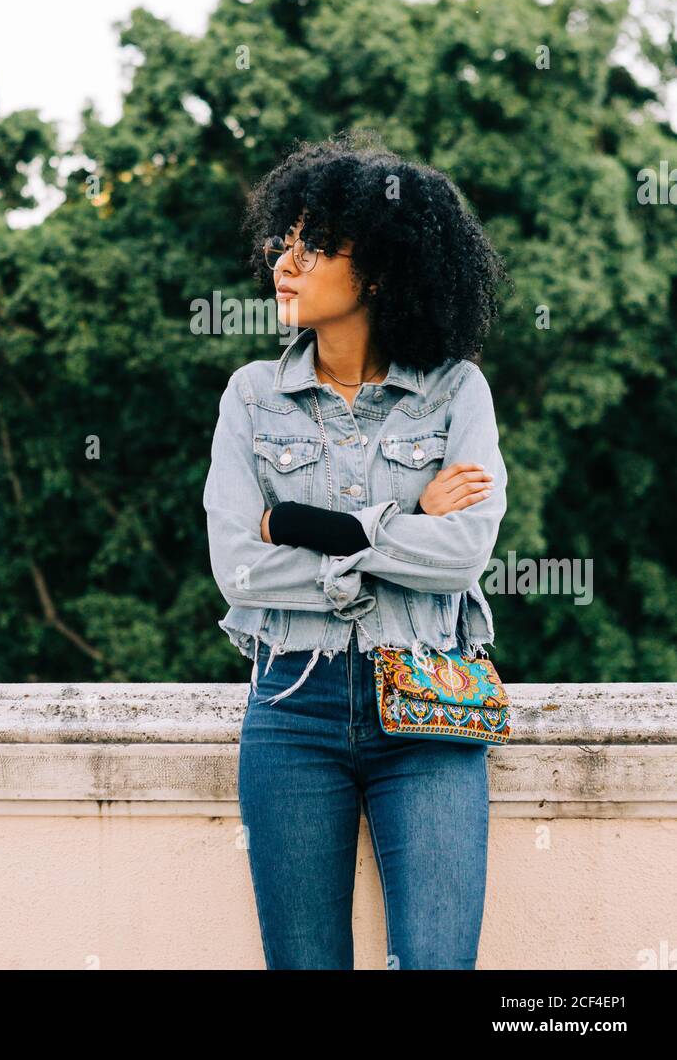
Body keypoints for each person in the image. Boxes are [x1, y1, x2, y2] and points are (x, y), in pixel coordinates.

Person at [202, 137, 511, 970]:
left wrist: (311, 526)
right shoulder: (252, 396)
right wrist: (401, 517)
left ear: (376, 271)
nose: (284, 263)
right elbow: (238, 564)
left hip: (429, 704)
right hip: (293, 704)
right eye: (283, 243)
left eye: (313, 246)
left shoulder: (455, 392)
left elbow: (460, 557)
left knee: (438, 965)